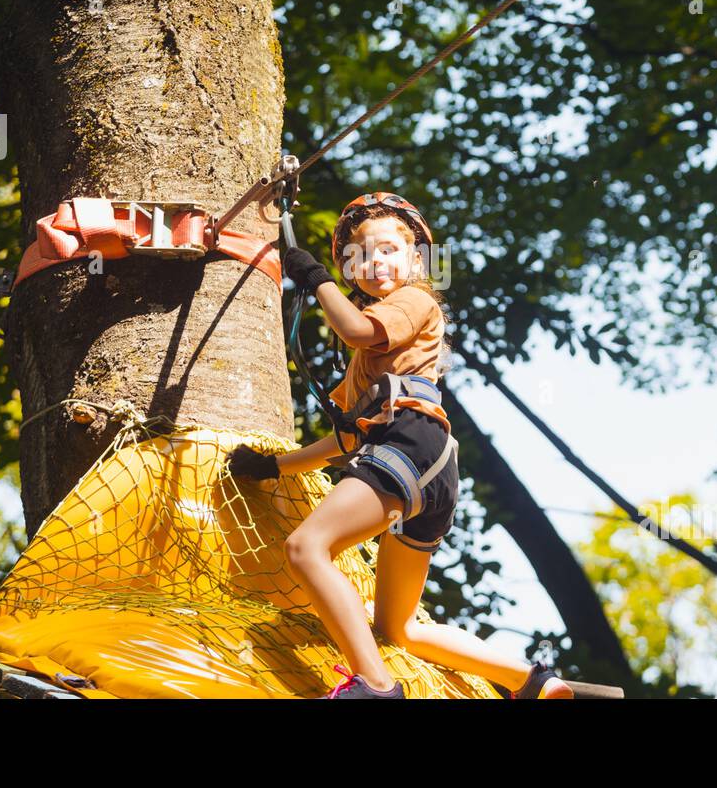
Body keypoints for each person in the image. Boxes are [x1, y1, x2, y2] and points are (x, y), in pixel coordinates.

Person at [225, 191, 573, 700]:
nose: (374, 262)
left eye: (388, 250)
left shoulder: (414, 302)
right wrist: (274, 466)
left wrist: (317, 277)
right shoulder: (366, 368)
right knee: (400, 627)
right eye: (360, 256)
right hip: (430, 469)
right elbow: (344, 439)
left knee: (305, 547)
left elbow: (356, 328)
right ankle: (533, 682)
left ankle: (376, 687)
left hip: (409, 446)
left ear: (416, 260)